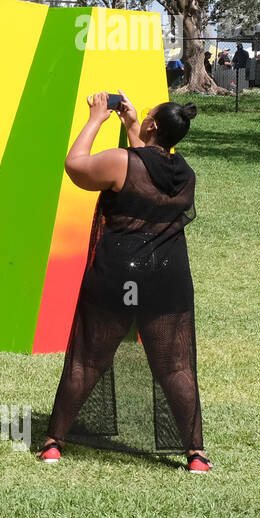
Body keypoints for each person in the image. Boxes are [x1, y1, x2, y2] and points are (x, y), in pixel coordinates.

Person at [39, 92, 209, 472]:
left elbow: (76, 166)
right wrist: (135, 127)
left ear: (152, 125)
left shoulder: (120, 162)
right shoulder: (185, 175)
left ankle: (53, 443)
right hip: (168, 280)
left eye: (146, 116)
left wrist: (97, 118)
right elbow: (146, 172)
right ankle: (196, 455)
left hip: (118, 276)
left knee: (87, 360)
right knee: (176, 366)